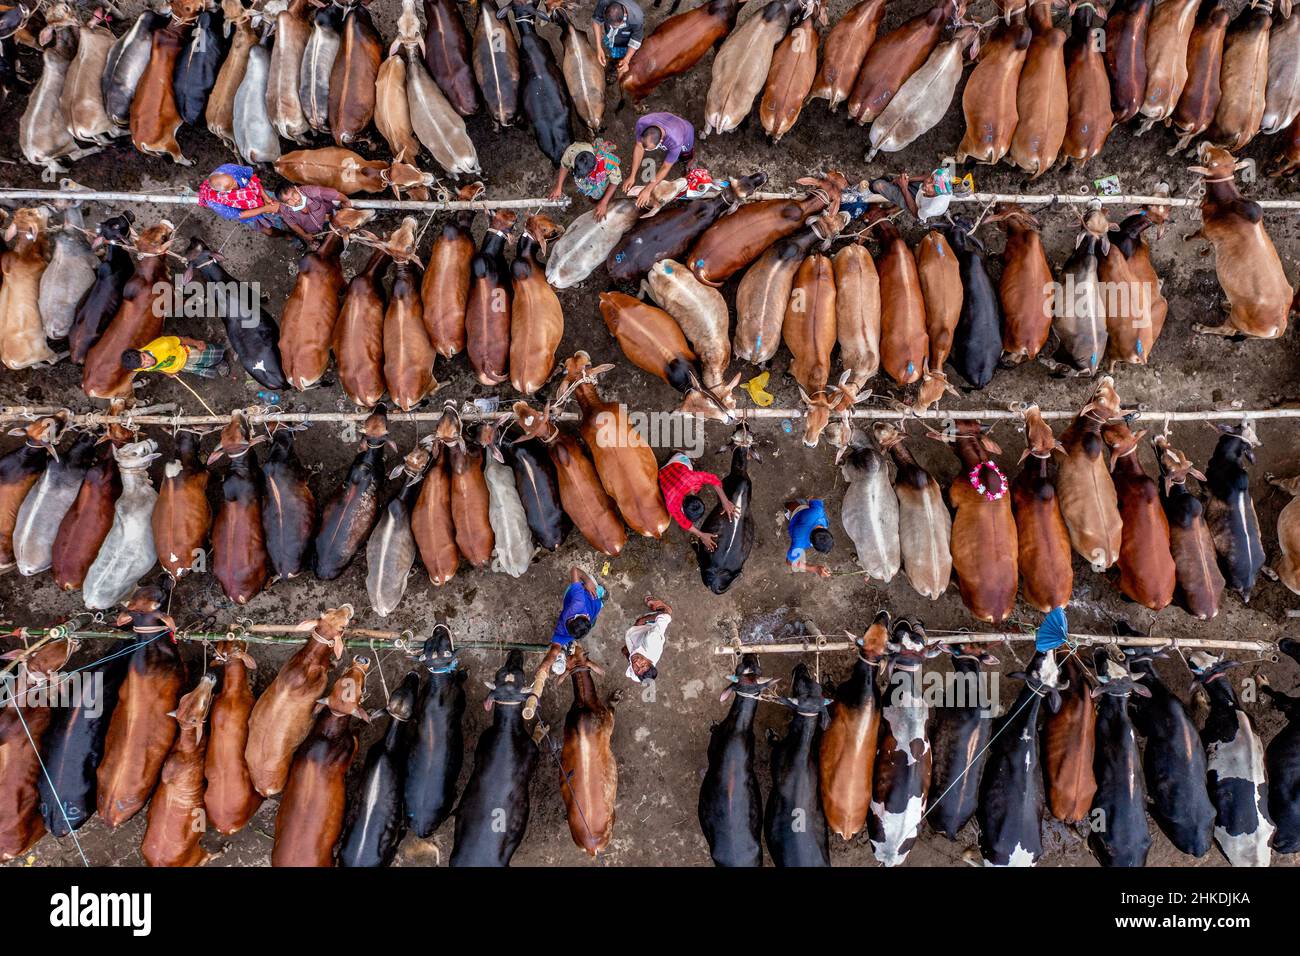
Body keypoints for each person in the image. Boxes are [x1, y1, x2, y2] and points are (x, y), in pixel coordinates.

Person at [658, 450, 735, 551]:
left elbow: (714, 479)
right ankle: (679, 453)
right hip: (661, 474)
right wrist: (701, 535)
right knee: (684, 460)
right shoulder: (672, 504)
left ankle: (678, 454)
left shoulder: (693, 478)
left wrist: (724, 500)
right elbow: (684, 523)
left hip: (672, 468)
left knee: (686, 462)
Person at [626, 112, 695, 209]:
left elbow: (666, 167)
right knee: (671, 156)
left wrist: (648, 190)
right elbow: (639, 147)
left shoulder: (675, 141)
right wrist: (632, 176)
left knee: (686, 154)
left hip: (686, 132)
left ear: (661, 142)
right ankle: (673, 157)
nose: (645, 151)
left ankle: (688, 162)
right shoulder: (642, 123)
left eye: (649, 149)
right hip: (670, 123)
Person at [198, 165, 285, 236]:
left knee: (282, 204)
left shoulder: (229, 169)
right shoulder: (216, 203)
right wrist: (265, 209)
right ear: (223, 191)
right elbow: (240, 214)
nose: (236, 183)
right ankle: (284, 234)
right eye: (232, 185)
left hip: (256, 192)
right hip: (249, 213)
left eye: (233, 180)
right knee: (268, 230)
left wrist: (265, 197)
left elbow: (252, 178)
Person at [548, 139, 623, 220]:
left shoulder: (608, 165)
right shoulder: (574, 151)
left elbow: (615, 182)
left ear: (594, 168)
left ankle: (602, 201)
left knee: (599, 199)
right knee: (593, 199)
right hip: (589, 185)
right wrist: (558, 187)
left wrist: (604, 202)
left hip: (602, 185)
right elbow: (565, 165)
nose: (581, 178)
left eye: (584, 175)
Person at [271, 184, 352, 249]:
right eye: (289, 200)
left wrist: (346, 201)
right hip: (312, 230)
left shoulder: (311, 191)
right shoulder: (285, 211)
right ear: (285, 204)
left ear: (297, 189)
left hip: (328, 215)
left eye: (294, 194)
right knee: (318, 246)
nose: (294, 200)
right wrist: (305, 235)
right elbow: (293, 225)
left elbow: (334, 194)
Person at [869, 167, 954, 222]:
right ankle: (872, 185)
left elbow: (916, 213)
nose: (927, 185)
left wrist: (904, 188)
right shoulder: (939, 175)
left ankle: (869, 190)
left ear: (937, 194)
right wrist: (908, 180)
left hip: (915, 204)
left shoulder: (933, 206)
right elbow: (928, 176)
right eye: (931, 180)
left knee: (878, 185)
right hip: (919, 191)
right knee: (888, 176)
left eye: (933, 188)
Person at [121, 336, 227, 380]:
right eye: (144, 364)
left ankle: (220, 360)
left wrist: (196, 343)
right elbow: (153, 368)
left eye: (144, 357)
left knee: (210, 355)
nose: (148, 361)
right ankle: (215, 368)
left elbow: (180, 340)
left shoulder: (163, 344)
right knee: (199, 368)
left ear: (140, 351)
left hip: (187, 354)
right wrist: (167, 372)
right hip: (180, 366)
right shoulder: (137, 366)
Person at [623, 597, 671, 683]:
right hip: (648, 628)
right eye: (643, 664)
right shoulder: (652, 642)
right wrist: (642, 620)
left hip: (635, 638)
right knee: (662, 616)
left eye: (637, 669)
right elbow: (664, 618)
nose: (636, 662)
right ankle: (664, 608)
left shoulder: (636, 677)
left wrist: (628, 654)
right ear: (650, 661)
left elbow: (630, 672)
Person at [592, 0, 644, 76]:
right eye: (610, 25)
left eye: (616, 26)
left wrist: (626, 60)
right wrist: (599, 47)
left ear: (625, 15)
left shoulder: (637, 18)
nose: (612, 28)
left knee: (625, 57)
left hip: (625, 42)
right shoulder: (603, 2)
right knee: (612, 53)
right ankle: (613, 62)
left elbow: (635, 40)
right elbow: (596, 21)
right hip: (611, 39)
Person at [785, 497, 833, 577]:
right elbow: (789, 561)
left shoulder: (818, 512)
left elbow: (814, 498)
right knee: (790, 505)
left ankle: (799, 504)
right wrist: (814, 569)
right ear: (811, 543)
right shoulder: (799, 541)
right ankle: (788, 507)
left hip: (806, 513)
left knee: (802, 504)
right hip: (795, 516)